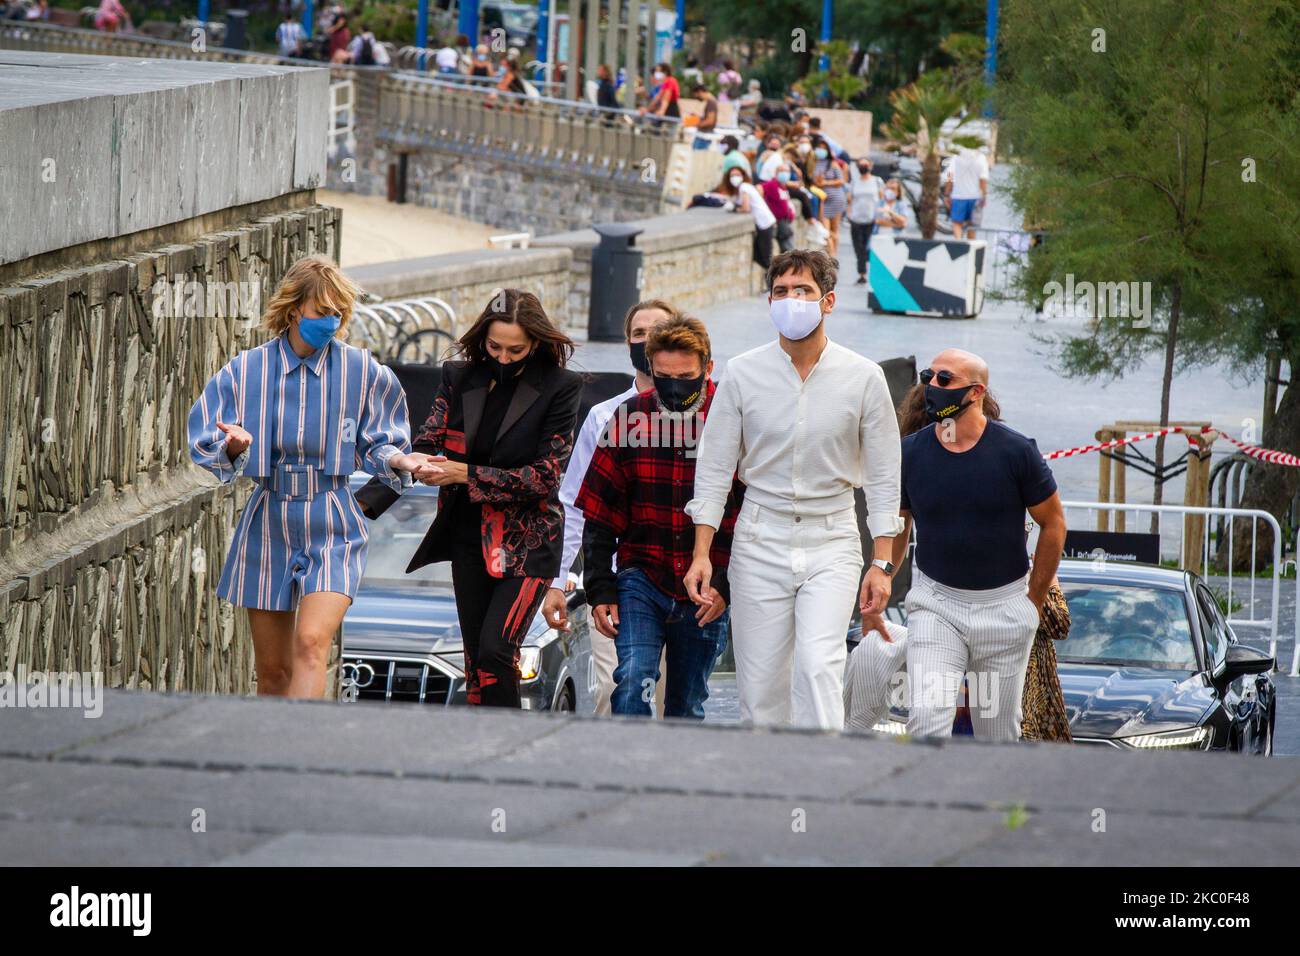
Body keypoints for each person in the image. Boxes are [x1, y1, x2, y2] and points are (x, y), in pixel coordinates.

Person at [684, 249, 904, 730]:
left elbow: (887, 475)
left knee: (818, 666)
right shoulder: (742, 373)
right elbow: (716, 468)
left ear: (827, 301)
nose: (791, 300)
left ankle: (818, 784)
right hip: (760, 537)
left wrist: (882, 563)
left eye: (802, 290)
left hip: (833, 538)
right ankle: (769, 787)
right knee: (760, 684)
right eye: (781, 291)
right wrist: (702, 554)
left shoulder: (865, 377)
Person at [187, 255, 423, 698]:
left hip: (332, 515)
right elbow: (205, 440)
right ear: (295, 309)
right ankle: (275, 759)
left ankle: (303, 750)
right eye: (321, 312)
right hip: (269, 515)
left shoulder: (363, 371)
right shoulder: (246, 370)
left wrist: (398, 460)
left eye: (338, 313)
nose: (330, 322)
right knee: (272, 672)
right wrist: (234, 446)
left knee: (312, 645)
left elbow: (381, 442)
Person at [355, 290, 582, 709]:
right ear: (482, 339)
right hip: (467, 537)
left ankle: (503, 746)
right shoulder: (458, 377)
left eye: (517, 349)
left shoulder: (560, 387)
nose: (505, 356)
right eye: (495, 347)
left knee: (498, 652)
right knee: (477, 660)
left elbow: (544, 478)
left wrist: (464, 473)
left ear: (536, 343)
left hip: (528, 545)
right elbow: (427, 441)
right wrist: (401, 474)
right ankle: (479, 747)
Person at [845, 385, 1073, 742]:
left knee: (996, 733)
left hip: (1003, 619)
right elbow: (899, 528)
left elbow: (1054, 527)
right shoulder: (915, 456)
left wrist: (1029, 603)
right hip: (938, 609)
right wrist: (882, 570)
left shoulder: (1013, 454)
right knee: (930, 720)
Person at [577, 316, 745, 720]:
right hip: (642, 576)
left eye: (685, 377)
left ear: (708, 367)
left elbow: (752, 511)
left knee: (686, 704)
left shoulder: (735, 419)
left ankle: (671, 775)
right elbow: (600, 513)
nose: (674, 386)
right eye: (664, 376)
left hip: (706, 586)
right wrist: (600, 589)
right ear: (650, 369)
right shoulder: (626, 417)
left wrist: (725, 582)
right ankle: (628, 766)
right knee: (634, 678)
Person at [543, 300, 679, 717]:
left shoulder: (712, 411)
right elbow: (574, 502)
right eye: (639, 333)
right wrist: (558, 576)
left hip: (684, 581)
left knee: (675, 701)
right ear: (627, 343)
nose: (649, 339)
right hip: (620, 580)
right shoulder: (605, 417)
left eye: (659, 330)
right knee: (614, 691)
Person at [719, 166, 777, 270]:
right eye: (732, 176)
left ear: (743, 176)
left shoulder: (744, 187)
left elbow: (746, 208)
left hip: (765, 224)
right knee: (757, 255)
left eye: (737, 175)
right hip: (763, 224)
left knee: (766, 258)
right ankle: (771, 278)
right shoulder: (744, 188)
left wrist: (734, 209)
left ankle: (775, 279)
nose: (734, 178)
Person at [847, 157, 883, 285]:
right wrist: (849, 214)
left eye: (865, 164)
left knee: (867, 248)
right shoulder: (855, 182)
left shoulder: (877, 181)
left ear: (870, 166)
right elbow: (850, 198)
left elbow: (882, 198)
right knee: (858, 248)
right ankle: (861, 273)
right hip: (856, 219)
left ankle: (868, 269)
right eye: (861, 165)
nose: (863, 167)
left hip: (871, 219)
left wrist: (879, 216)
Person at [812, 135, 847, 256]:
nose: (821, 150)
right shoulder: (813, 163)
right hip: (823, 200)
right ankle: (831, 256)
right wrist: (817, 182)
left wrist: (825, 182)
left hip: (836, 199)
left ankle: (834, 256)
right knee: (826, 232)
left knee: (835, 229)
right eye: (819, 148)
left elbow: (841, 181)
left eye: (823, 148)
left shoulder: (833, 163)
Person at [946, 145, 989, 239]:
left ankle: (958, 244)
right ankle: (971, 246)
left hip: (958, 196)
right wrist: (984, 195)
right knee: (972, 225)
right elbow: (983, 180)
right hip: (975, 197)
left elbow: (950, 176)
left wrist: (947, 193)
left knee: (957, 223)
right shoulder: (981, 158)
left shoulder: (956, 157)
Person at [758, 161, 798, 253]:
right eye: (782, 171)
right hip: (780, 223)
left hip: (786, 222)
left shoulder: (783, 186)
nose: (785, 173)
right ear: (776, 173)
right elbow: (759, 187)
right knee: (789, 252)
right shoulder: (772, 184)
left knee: (788, 250)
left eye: (787, 171)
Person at [690, 82, 718, 149]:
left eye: (696, 95)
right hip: (704, 135)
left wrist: (696, 124)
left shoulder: (711, 102)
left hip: (704, 136)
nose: (696, 97)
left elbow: (710, 121)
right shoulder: (710, 102)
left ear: (700, 92)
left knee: (697, 156)